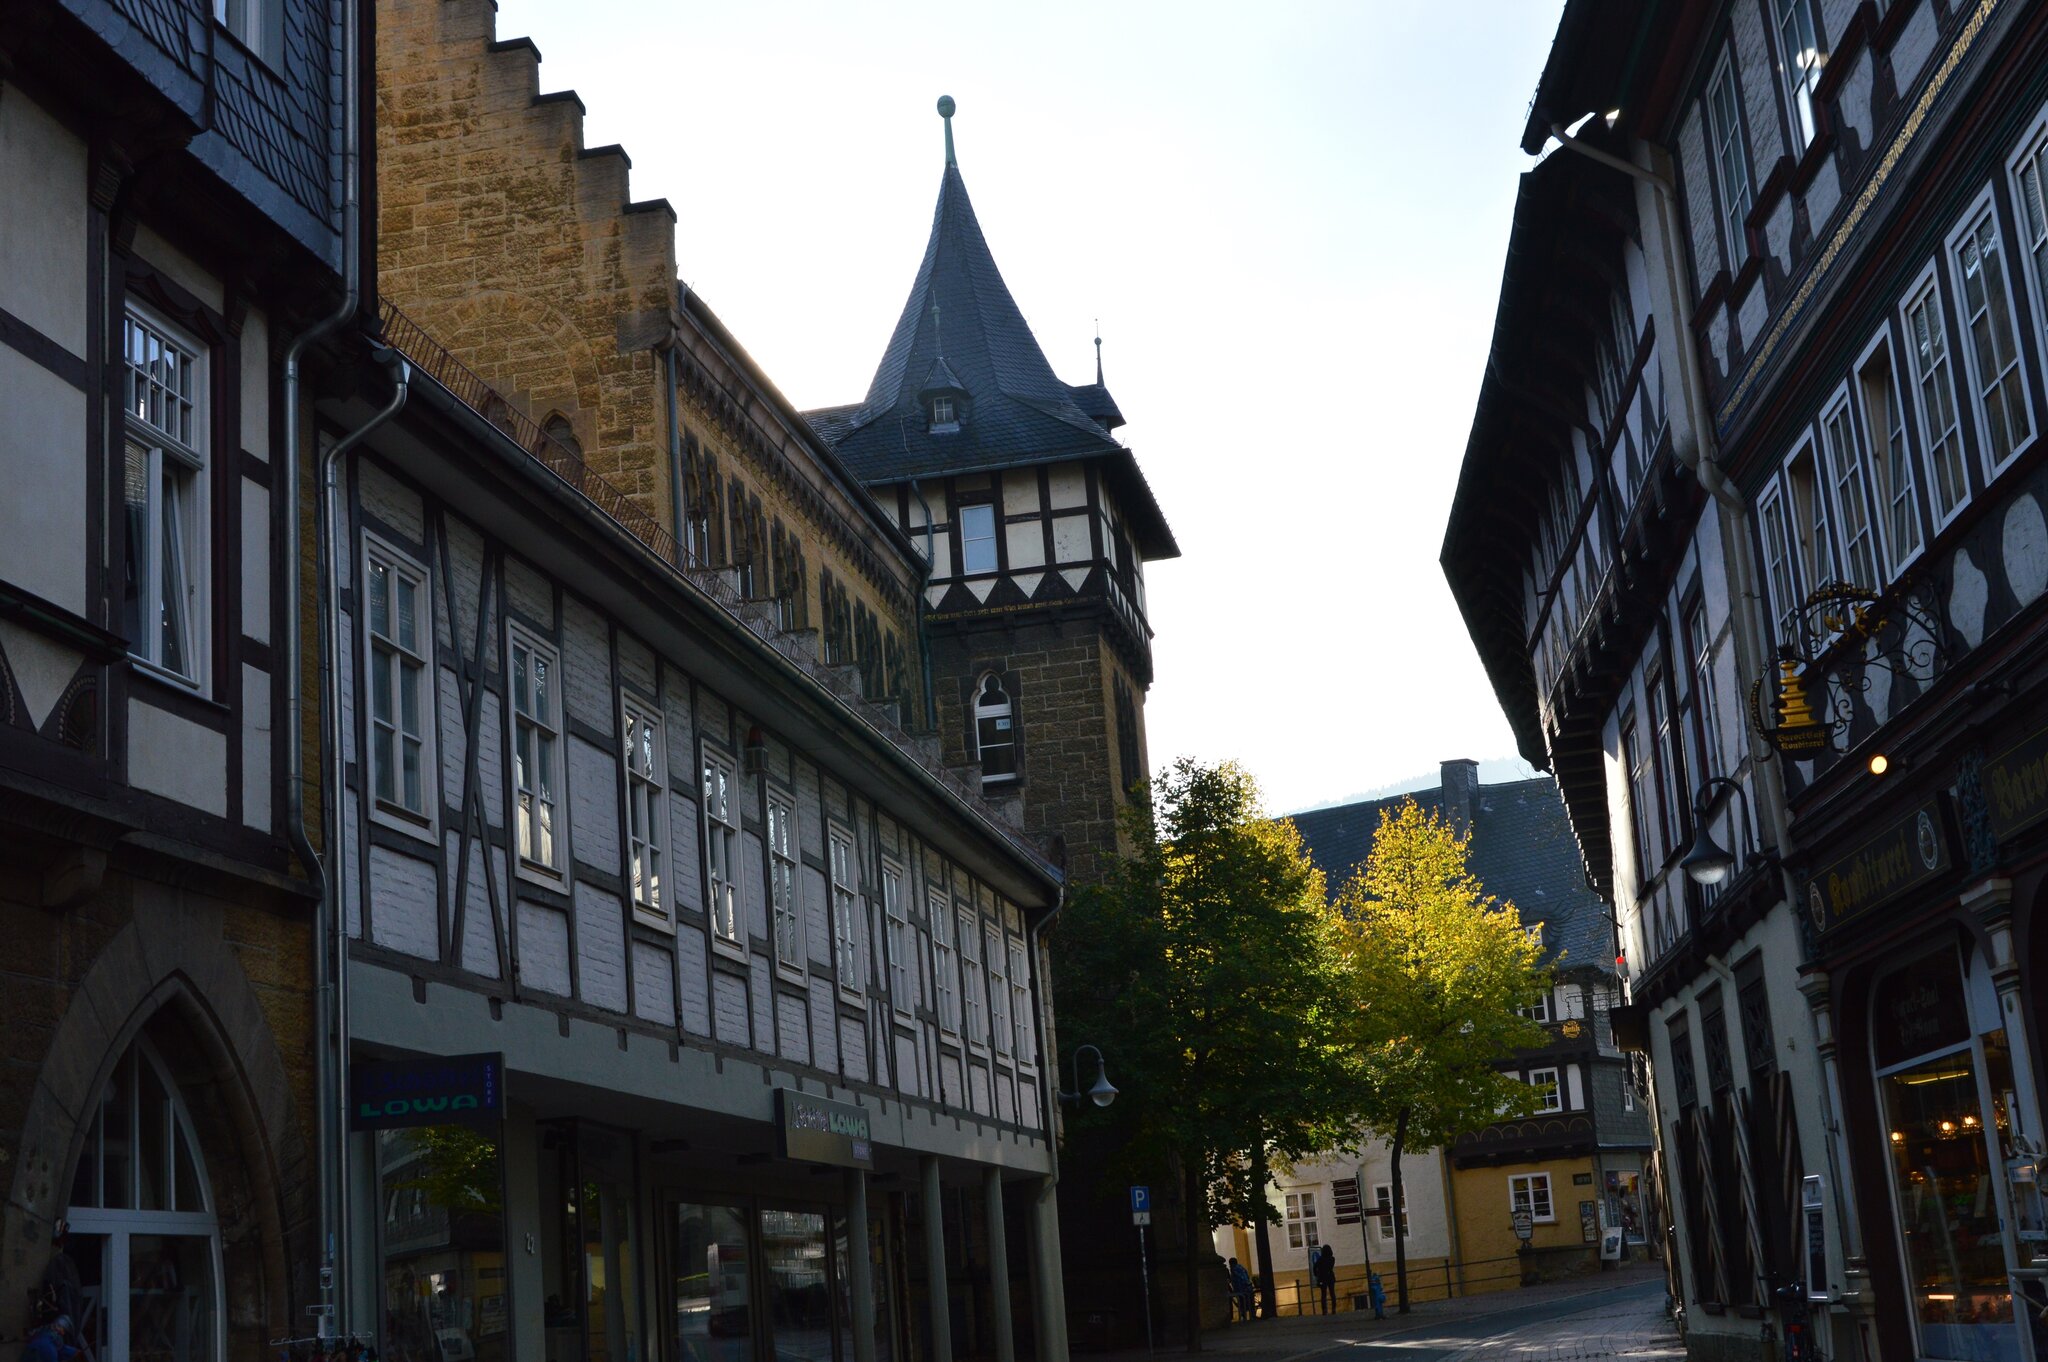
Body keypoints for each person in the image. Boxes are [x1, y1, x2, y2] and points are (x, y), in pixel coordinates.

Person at [1312, 1243, 1337, 1314]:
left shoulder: (1320, 1259)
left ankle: (1324, 1310)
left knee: (1323, 1295)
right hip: (1330, 1277)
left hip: (1323, 1278)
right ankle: (1333, 1309)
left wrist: (1316, 1274)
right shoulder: (1332, 1259)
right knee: (1332, 1293)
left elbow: (1314, 1267)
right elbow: (1330, 1267)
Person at [1227, 1257, 1254, 1321]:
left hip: (1241, 1288)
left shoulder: (1234, 1269)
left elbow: (1239, 1279)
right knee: (1248, 1302)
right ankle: (1251, 1316)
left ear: (1231, 1263)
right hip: (1248, 1287)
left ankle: (1243, 1316)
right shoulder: (1241, 1267)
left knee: (1242, 1303)